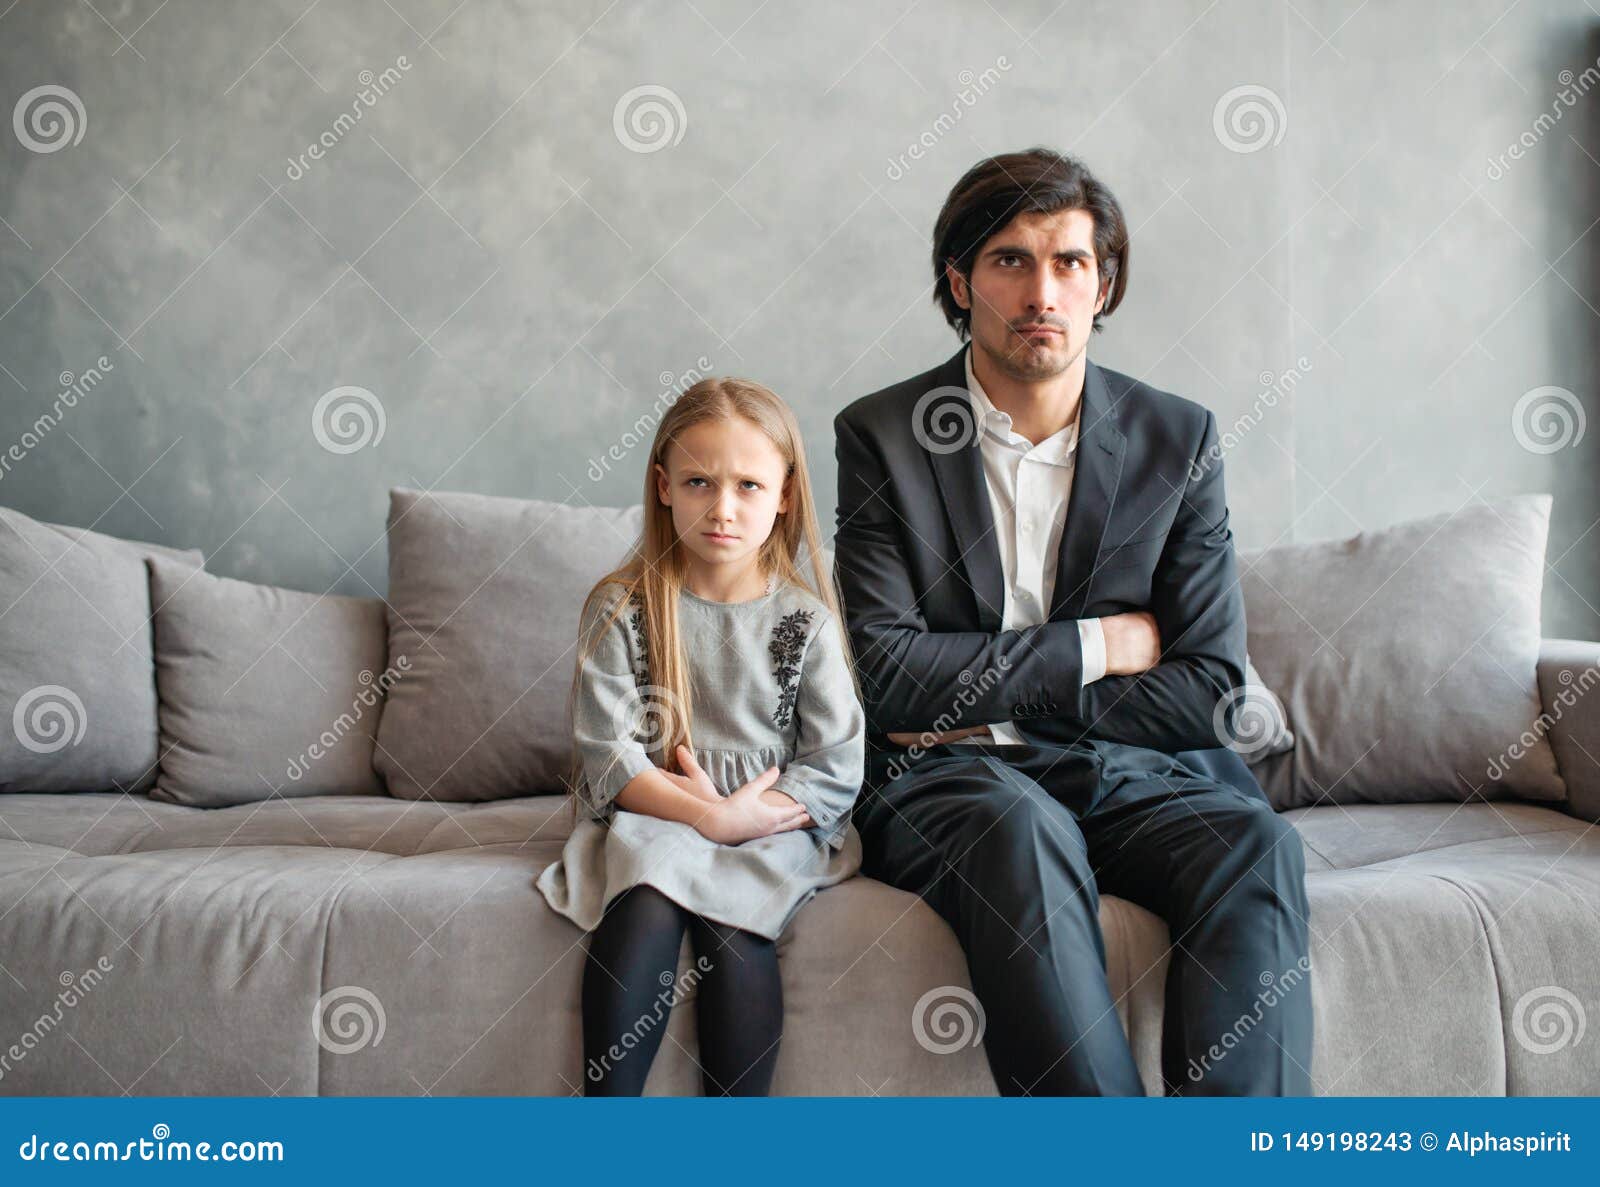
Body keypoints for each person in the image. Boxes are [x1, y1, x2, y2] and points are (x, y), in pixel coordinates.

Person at [832, 147, 1313, 1096]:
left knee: (1257, 842)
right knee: (1019, 826)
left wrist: (990, 698)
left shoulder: (1179, 439)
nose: (1040, 291)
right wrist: (1097, 646)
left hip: (1125, 772)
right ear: (959, 282)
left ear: (1105, 284)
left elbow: (1210, 690)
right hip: (949, 781)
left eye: (1069, 262)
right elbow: (886, 678)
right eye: (1010, 261)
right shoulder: (883, 433)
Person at [538, 376, 866, 1097]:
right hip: (655, 808)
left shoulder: (805, 622)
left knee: (736, 922)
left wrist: (748, 817)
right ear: (662, 485)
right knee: (647, 898)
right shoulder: (622, 607)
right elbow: (609, 751)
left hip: (771, 821)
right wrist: (705, 814)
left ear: (783, 494)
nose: (722, 508)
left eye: (749, 485)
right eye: (698, 481)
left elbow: (835, 764)